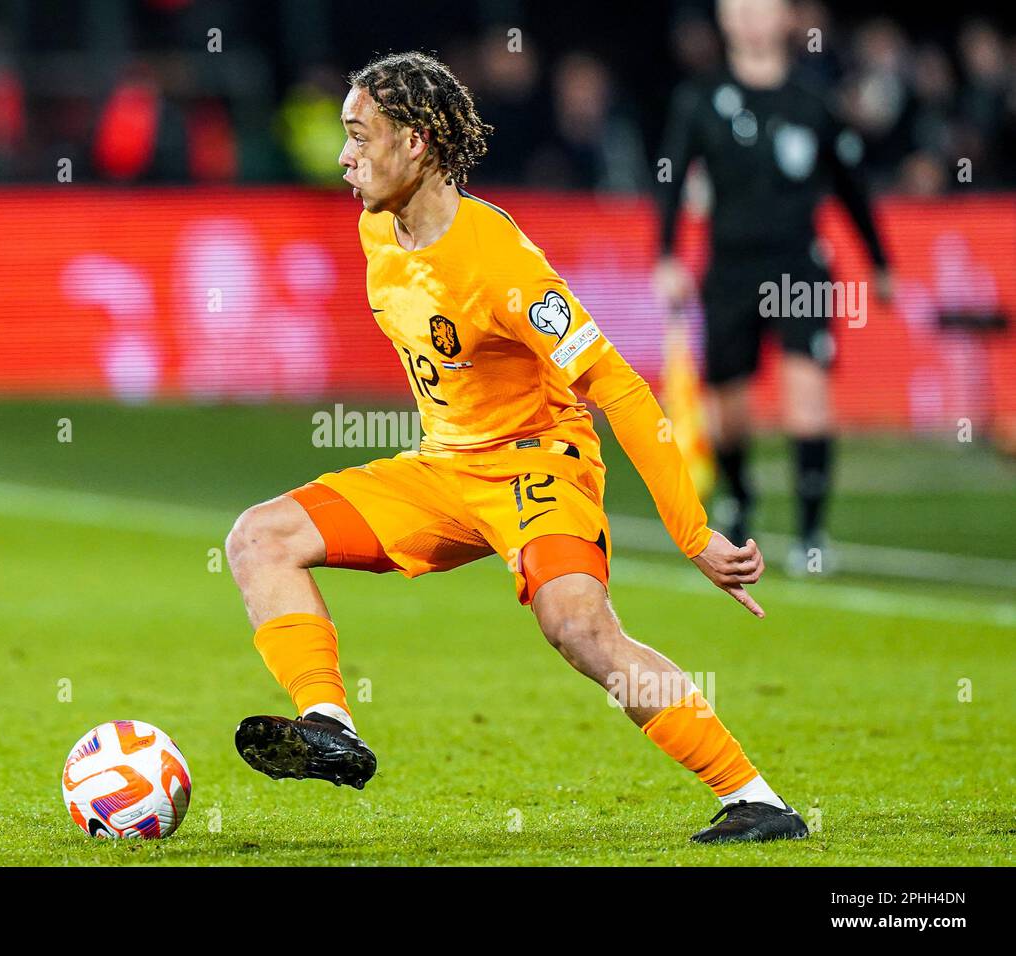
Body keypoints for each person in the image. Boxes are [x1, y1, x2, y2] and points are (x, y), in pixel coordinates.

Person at [226, 51, 807, 843]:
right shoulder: (376, 228)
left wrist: (692, 532)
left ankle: (758, 801)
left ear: (417, 143)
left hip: (538, 462)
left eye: (359, 137)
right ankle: (330, 726)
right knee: (259, 537)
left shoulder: (503, 266)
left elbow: (620, 388)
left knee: (577, 626)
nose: (343, 157)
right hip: (445, 466)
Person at [654, 0, 893, 573]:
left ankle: (812, 536)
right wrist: (665, 256)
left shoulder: (814, 101)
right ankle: (739, 500)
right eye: (741, 8)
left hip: (799, 267)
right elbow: (669, 176)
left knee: (807, 394)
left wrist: (881, 262)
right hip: (730, 267)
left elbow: (852, 186)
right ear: (725, 19)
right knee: (727, 408)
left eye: (765, 8)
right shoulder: (699, 98)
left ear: (787, 19)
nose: (753, 19)